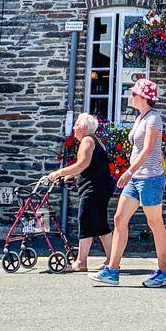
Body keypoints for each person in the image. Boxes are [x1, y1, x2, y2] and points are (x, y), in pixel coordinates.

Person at [95, 79, 166, 288]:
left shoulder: (154, 119)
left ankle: (163, 272)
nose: (131, 96)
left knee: (155, 224)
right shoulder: (141, 118)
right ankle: (112, 270)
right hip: (137, 178)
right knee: (120, 219)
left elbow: (147, 150)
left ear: (144, 98)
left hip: (150, 178)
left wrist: (128, 171)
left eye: (134, 93)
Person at [48, 114, 112, 272]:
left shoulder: (87, 140)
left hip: (93, 188)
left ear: (84, 128)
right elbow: (91, 165)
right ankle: (112, 260)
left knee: (85, 221)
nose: (74, 128)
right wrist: (73, 174)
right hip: (102, 187)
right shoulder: (95, 140)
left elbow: (83, 163)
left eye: (76, 125)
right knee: (101, 224)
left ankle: (81, 262)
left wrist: (59, 172)